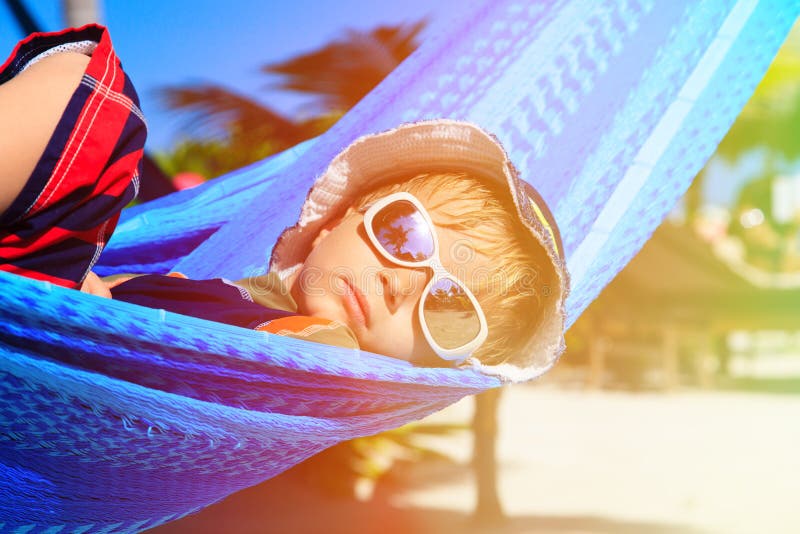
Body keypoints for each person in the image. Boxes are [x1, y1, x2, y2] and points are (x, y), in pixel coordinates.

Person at [0, 25, 568, 378]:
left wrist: (328, 348)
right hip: (44, 308)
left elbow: (306, 355)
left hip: (46, 340)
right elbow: (112, 302)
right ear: (335, 224)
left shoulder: (276, 346)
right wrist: (95, 290)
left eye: (449, 310)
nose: (401, 284)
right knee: (84, 86)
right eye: (405, 233)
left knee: (103, 106)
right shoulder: (220, 292)